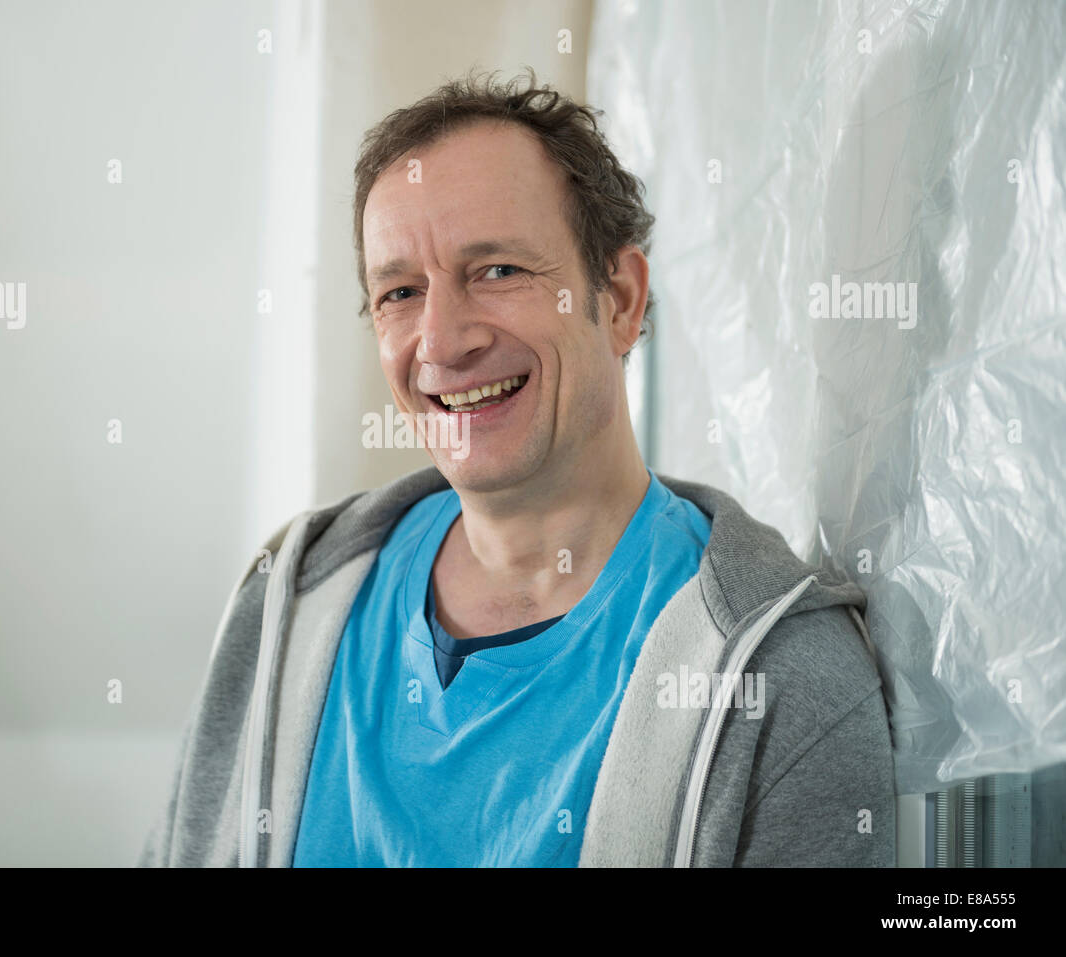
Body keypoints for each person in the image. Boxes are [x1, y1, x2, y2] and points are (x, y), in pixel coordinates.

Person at [139, 68, 896, 867]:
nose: (441, 340)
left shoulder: (782, 679)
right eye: (399, 291)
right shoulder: (288, 605)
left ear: (620, 300)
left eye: (497, 271)